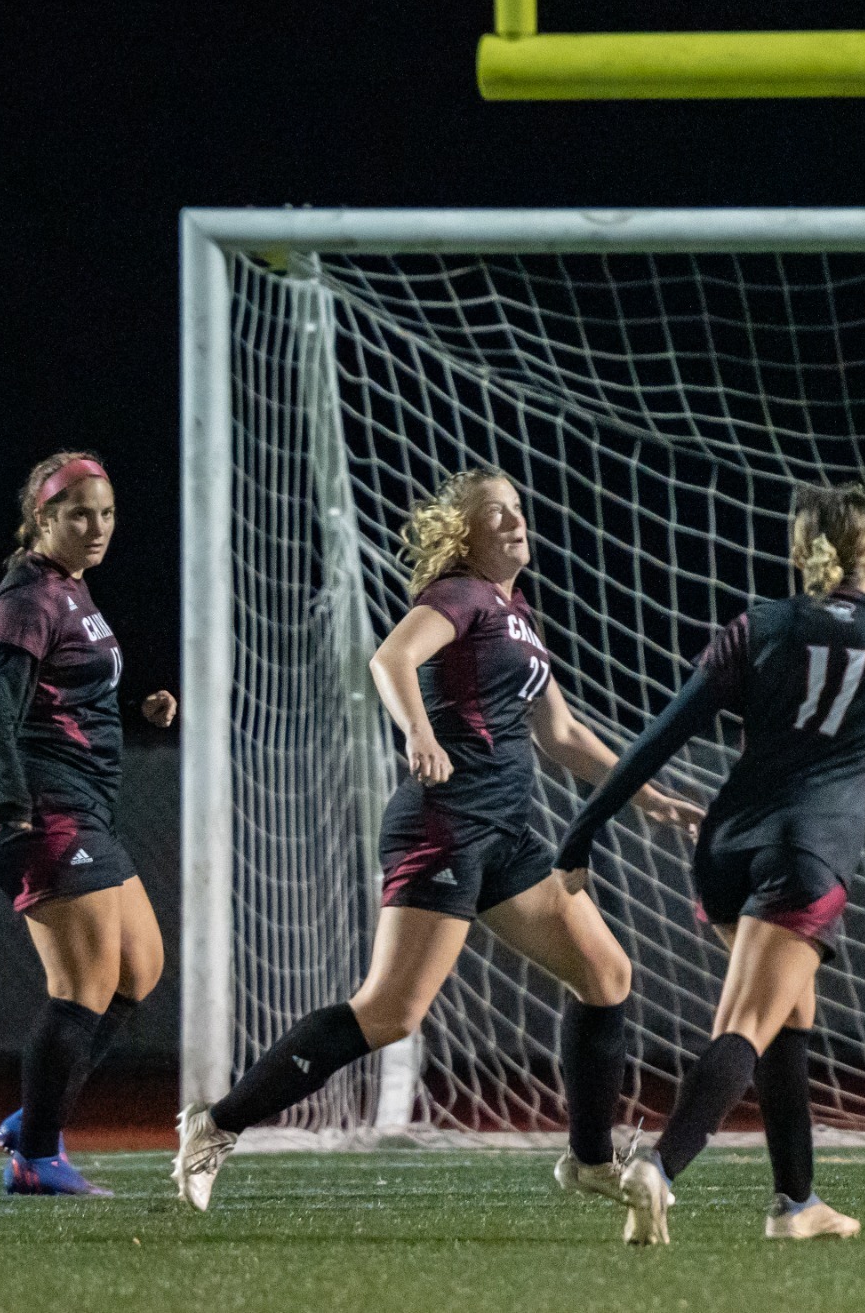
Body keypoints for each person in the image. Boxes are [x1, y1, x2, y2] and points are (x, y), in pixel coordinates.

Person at [171, 467, 702, 1210]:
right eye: (497, 513)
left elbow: (563, 732)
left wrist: (644, 795)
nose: (516, 521)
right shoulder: (459, 594)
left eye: (518, 508)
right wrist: (418, 729)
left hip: (506, 835)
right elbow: (390, 659)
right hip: (444, 828)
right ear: (465, 533)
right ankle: (215, 1124)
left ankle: (587, 1160)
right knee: (390, 1011)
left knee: (607, 974)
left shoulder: (516, 611)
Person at [556, 481, 865, 1245]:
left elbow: (658, 739)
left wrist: (581, 832)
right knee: (748, 1020)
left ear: (795, 549)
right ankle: (662, 1168)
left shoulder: (759, 626)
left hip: (724, 846)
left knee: (786, 1017)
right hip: (808, 856)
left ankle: (797, 1202)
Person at [0, 451, 178, 1195]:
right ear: (41, 518)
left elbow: (63, 689)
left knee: (140, 966)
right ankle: (37, 1154)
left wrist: (133, 707)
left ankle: (35, 1118)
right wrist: (18, 794)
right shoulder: (29, 592)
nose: (97, 526)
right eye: (79, 513)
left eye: (108, 512)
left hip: (80, 806)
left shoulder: (71, 590)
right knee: (84, 980)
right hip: (42, 808)